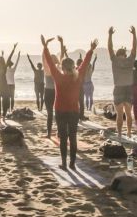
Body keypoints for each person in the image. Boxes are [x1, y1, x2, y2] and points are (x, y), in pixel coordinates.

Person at [41, 35, 96, 170]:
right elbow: (84, 64)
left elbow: (49, 62)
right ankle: (72, 163)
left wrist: (45, 47)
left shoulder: (58, 77)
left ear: (63, 68)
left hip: (60, 111)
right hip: (73, 111)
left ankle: (64, 163)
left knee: (63, 138)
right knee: (73, 137)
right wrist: (91, 50)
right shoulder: (78, 77)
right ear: (73, 67)